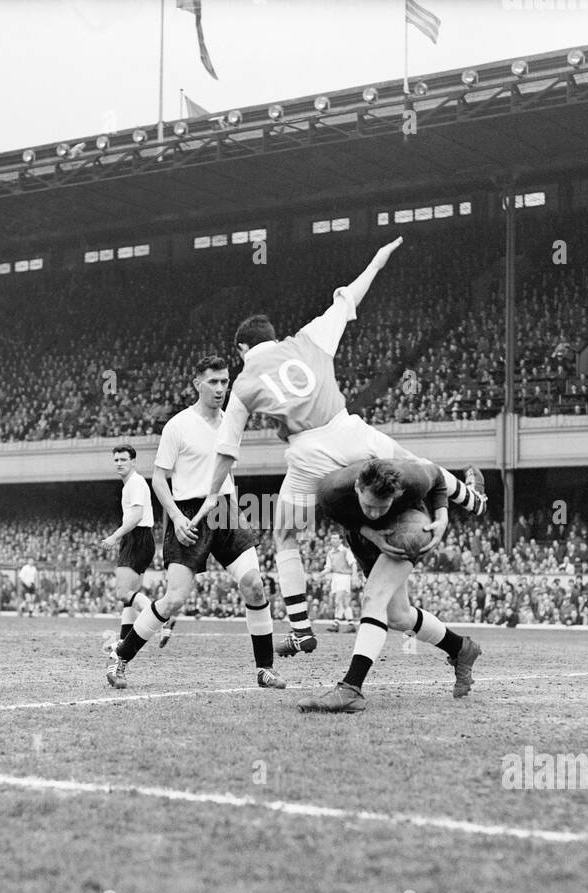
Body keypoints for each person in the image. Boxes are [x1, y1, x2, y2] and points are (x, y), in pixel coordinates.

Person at [189, 236, 485, 658]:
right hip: (349, 430)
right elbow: (349, 297)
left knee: (285, 534)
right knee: (416, 464)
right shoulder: (308, 337)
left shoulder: (245, 381)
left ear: (242, 350)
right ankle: (471, 498)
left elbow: (226, 450)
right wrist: (378, 262)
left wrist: (211, 492)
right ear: (274, 337)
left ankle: (301, 628)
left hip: (309, 451)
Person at [107, 356, 285, 691]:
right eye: (213, 382)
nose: (220, 388)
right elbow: (159, 480)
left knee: (255, 585)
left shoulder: (233, 420)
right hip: (188, 512)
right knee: (174, 599)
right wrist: (176, 516)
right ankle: (122, 655)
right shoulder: (178, 426)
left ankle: (265, 669)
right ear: (197, 384)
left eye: (224, 382)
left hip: (224, 507)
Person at [298, 457, 480, 714]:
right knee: (397, 616)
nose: (374, 512)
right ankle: (461, 648)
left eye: (382, 507)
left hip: (408, 527)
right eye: (369, 505)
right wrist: (370, 532)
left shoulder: (412, 478)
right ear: (358, 488)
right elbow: (337, 513)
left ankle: (351, 688)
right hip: (366, 538)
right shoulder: (331, 490)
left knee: (374, 600)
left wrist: (442, 518)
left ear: (398, 493)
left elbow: (438, 476)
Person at [101, 444, 161, 644]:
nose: (119, 463)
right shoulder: (132, 483)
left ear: (133, 462)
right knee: (129, 597)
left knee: (122, 592)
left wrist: (114, 536)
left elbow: (136, 516)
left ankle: (162, 617)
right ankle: (124, 641)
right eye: (116, 460)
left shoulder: (135, 483)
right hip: (141, 539)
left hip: (137, 538)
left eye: (123, 459)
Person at [323, 531, 357, 633]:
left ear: (340, 540)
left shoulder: (346, 551)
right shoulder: (330, 553)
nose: (333, 540)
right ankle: (351, 625)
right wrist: (321, 574)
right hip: (335, 577)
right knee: (345, 603)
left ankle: (336, 623)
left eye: (335, 538)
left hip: (344, 577)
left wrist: (354, 576)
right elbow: (328, 568)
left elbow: (353, 563)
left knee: (338, 600)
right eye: (332, 538)